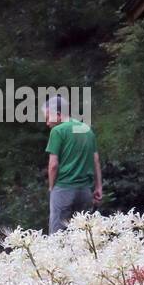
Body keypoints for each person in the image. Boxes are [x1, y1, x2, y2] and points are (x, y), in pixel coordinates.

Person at [44, 95, 102, 234]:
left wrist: (52, 188)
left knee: (58, 237)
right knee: (82, 235)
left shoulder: (57, 131)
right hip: (85, 191)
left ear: (58, 115)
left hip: (63, 189)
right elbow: (96, 160)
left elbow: (53, 165)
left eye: (47, 118)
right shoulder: (86, 129)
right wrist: (98, 186)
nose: (46, 123)